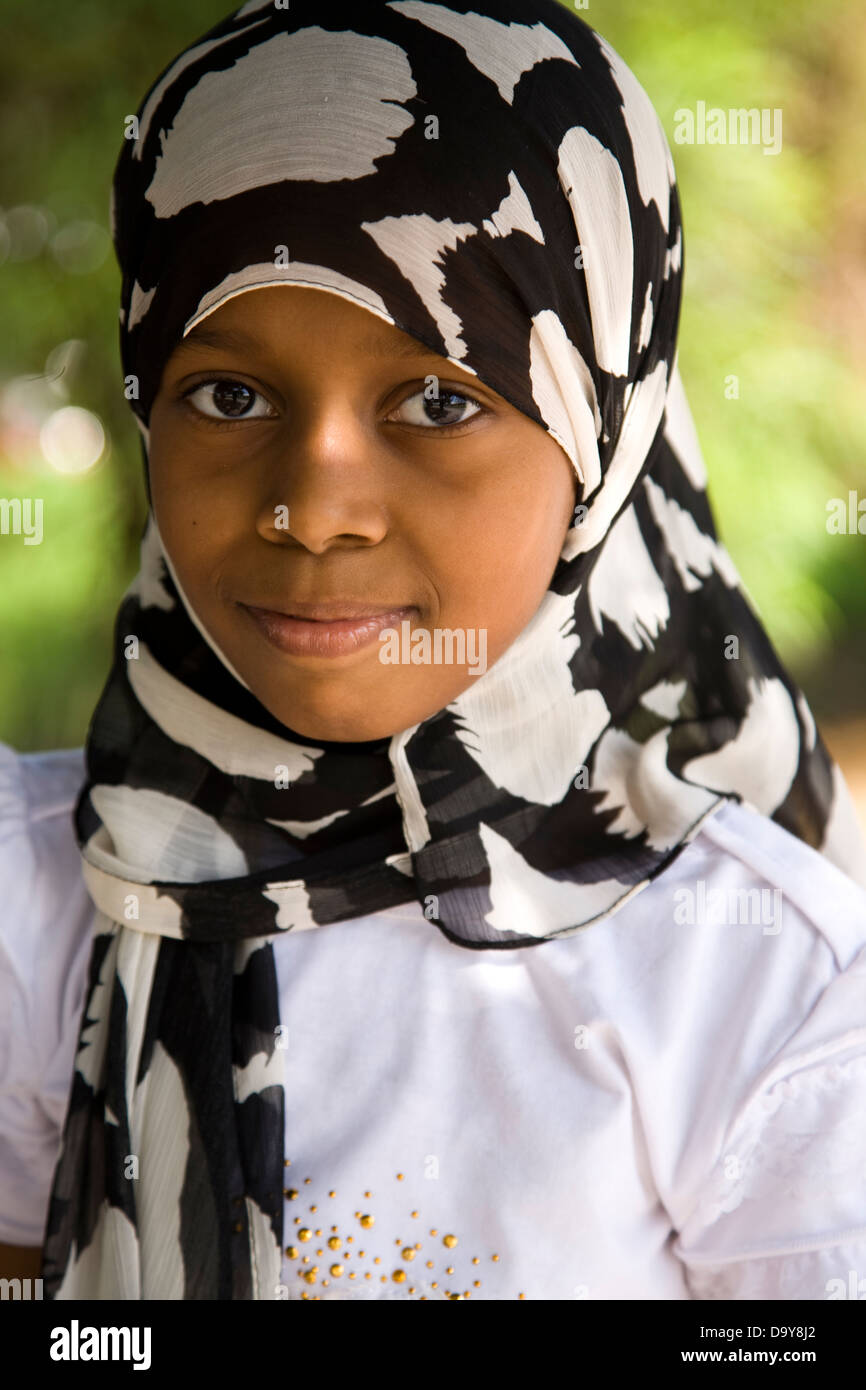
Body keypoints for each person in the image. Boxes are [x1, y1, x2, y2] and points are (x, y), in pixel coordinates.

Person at [1, 0, 865, 1301]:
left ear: (598, 438)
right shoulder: (39, 900)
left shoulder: (745, 968)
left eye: (439, 398)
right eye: (227, 393)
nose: (314, 505)